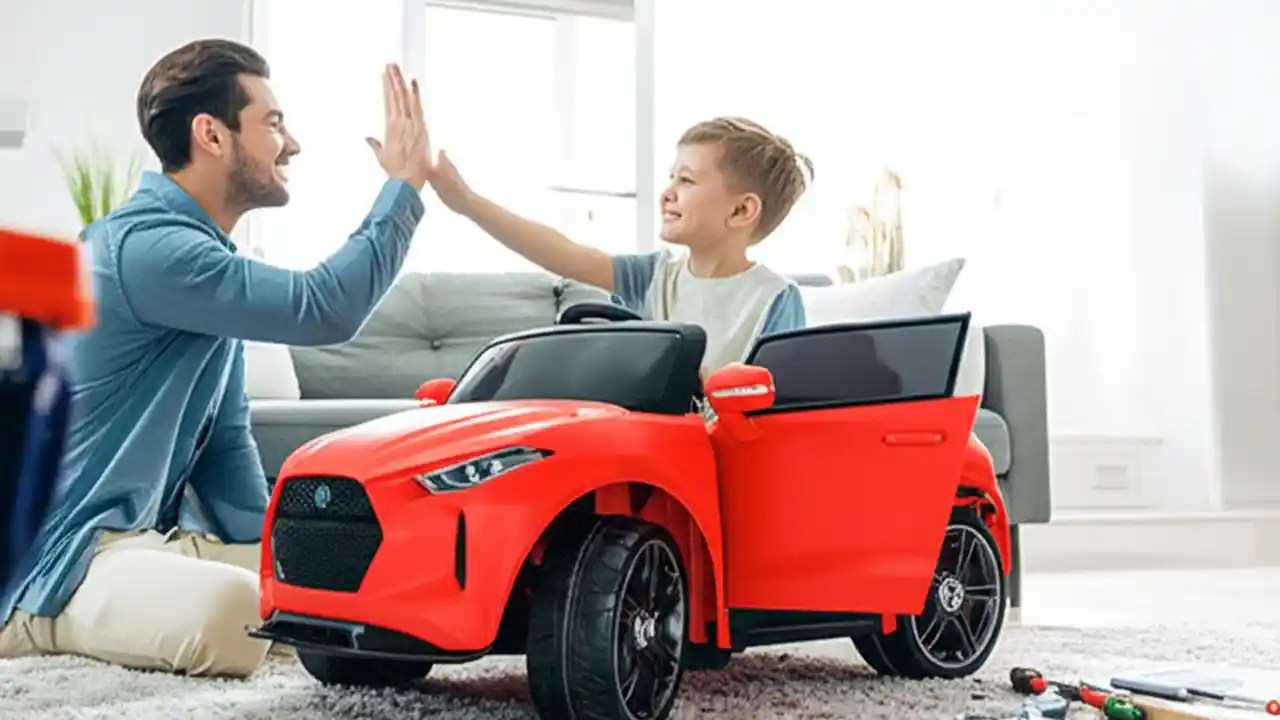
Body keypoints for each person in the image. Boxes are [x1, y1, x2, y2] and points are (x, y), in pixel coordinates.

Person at [0, 39, 435, 678]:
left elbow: (226, 447)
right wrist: (403, 188)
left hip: (145, 546)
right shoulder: (149, 251)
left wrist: (290, 557)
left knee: (364, 576)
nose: (291, 145)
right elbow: (322, 308)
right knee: (238, 613)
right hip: (63, 561)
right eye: (273, 123)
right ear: (211, 134)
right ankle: (35, 631)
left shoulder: (201, 263)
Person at [426, 116, 814, 375]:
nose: (667, 193)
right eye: (671, 177)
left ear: (742, 209)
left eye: (687, 181)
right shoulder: (653, 276)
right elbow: (562, 252)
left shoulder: (774, 299)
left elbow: (782, 410)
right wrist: (468, 203)